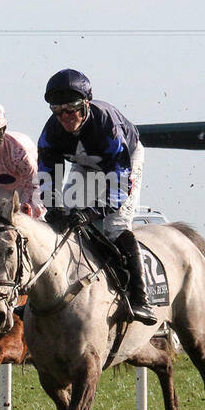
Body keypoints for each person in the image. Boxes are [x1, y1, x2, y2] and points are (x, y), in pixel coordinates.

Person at [37, 68, 156, 325]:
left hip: (123, 162)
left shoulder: (107, 126)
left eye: (71, 110)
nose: (65, 118)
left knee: (114, 225)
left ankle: (140, 298)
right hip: (87, 164)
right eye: (58, 112)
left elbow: (119, 181)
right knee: (62, 223)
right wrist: (53, 208)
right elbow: (47, 175)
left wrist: (93, 212)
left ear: (85, 104)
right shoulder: (51, 133)